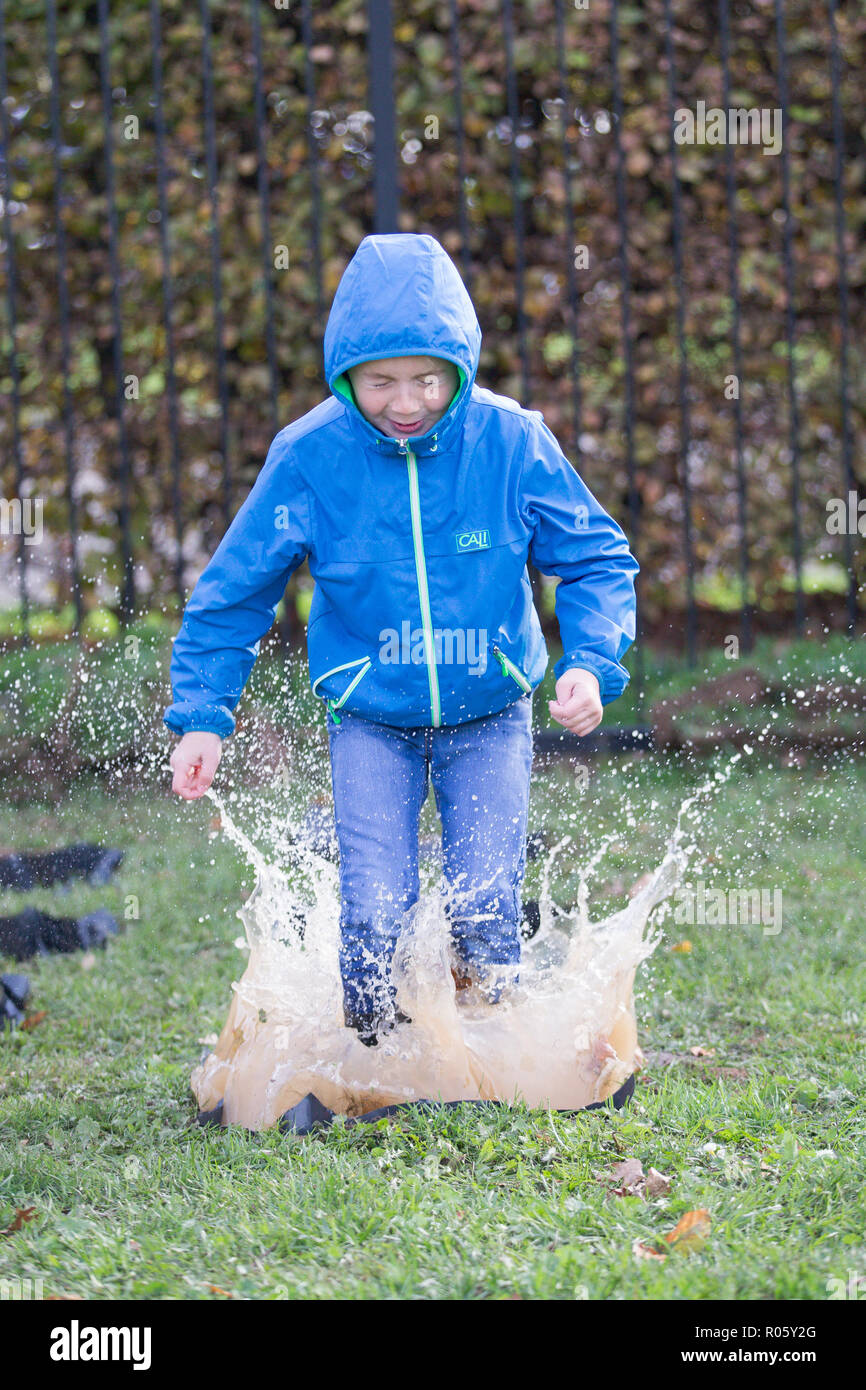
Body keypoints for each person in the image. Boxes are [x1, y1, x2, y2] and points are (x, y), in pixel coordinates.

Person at [165, 232, 639, 1046]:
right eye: (381, 381)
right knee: (375, 910)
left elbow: (595, 557)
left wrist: (591, 662)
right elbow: (234, 594)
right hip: (370, 718)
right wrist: (203, 713)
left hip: (490, 711)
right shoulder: (309, 456)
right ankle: (373, 1060)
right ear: (344, 374)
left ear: (461, 363)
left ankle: (493, 1060)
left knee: (488, 900)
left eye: (428, 377)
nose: (407, 400)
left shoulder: (511, 442)